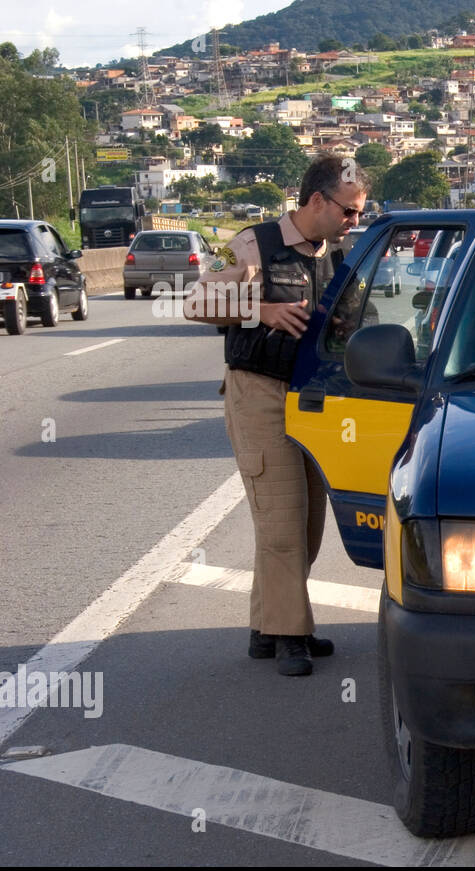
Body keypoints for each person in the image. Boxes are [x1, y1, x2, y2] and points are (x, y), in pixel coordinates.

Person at [184, 156, 369, 675]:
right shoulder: (253, 244)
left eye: (358, 213)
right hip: (259, 391)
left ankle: (265, 629)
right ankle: (291, 635)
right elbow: (196, 302)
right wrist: (260, 309)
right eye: (349, 212)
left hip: (311, 399)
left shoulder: (336, 257)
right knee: (283, 521)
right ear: (317, 201)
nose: (354, 221)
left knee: (305, 524)